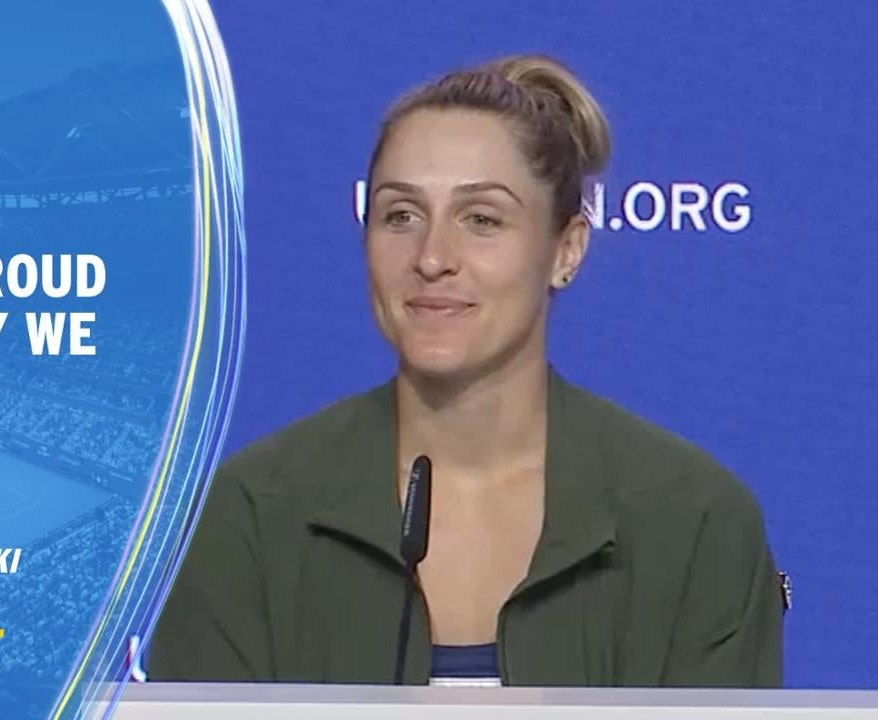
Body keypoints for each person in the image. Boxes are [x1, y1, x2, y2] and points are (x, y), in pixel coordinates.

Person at [146, 54, 784, 688]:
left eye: (481, 220)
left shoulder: (696, 522)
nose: (431, 257)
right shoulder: (250, 515)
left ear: (567, 249)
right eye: (401, 215)